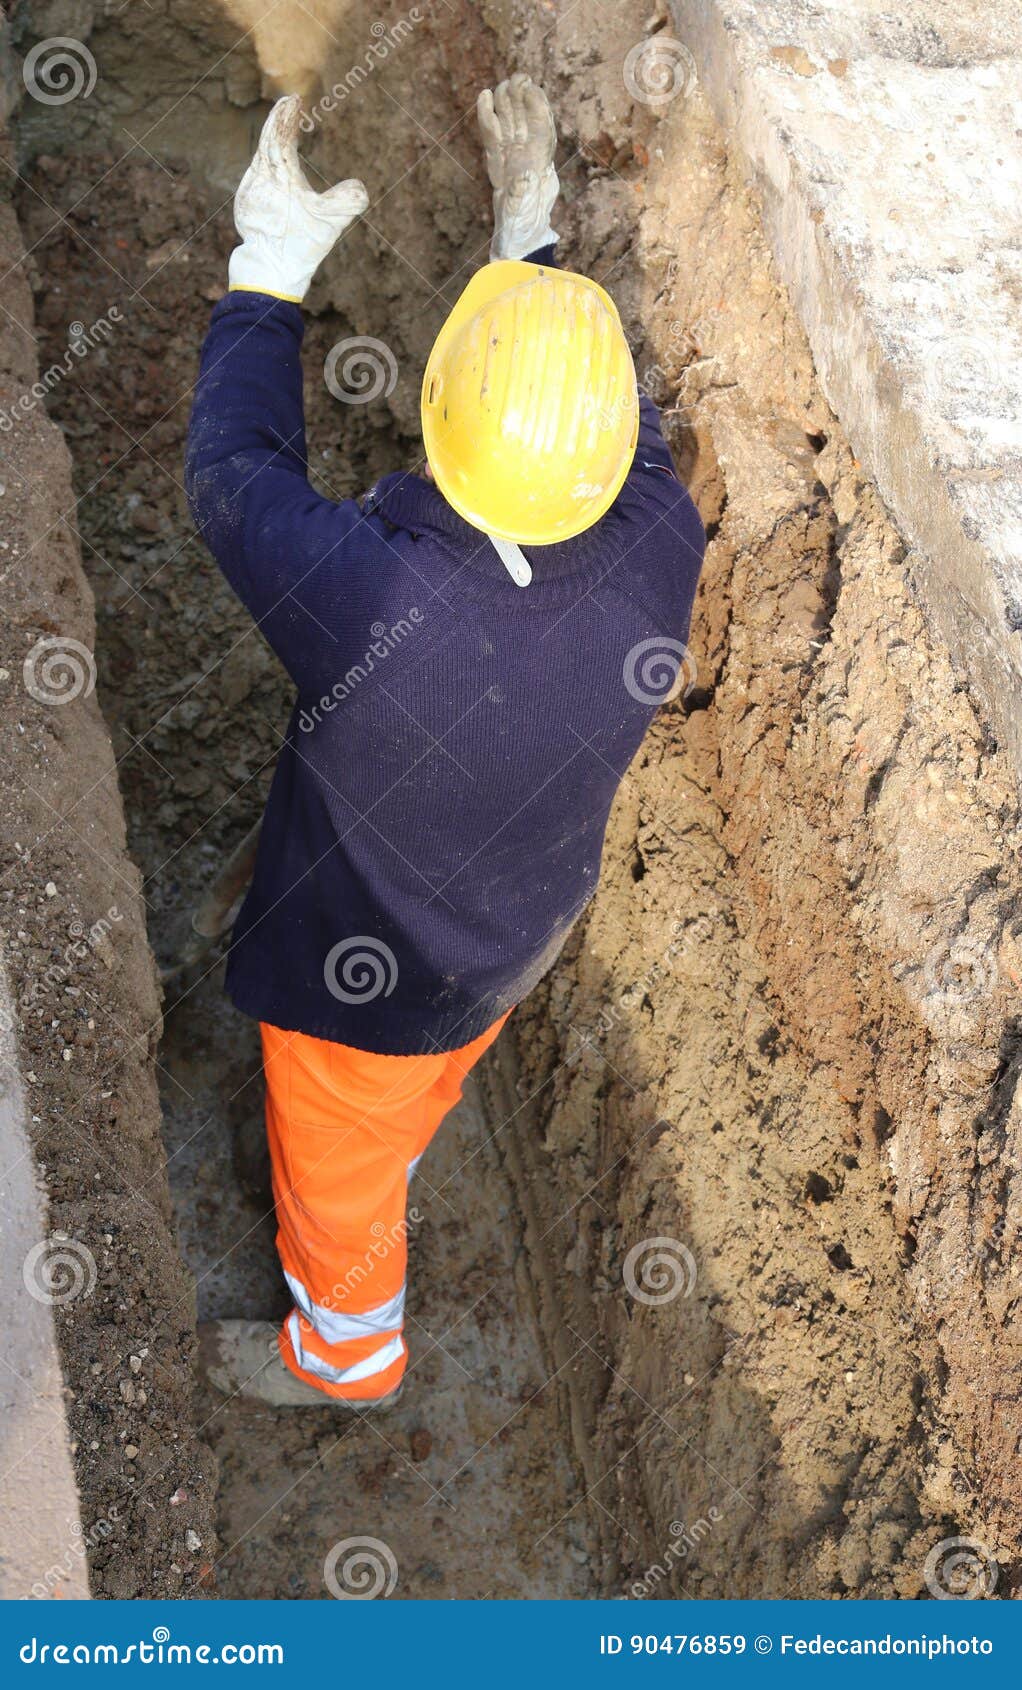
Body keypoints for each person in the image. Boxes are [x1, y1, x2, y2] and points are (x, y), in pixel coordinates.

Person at [185, 76, 705, 1408]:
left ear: (437, 417)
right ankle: (411, 1131)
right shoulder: (658, 536)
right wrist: (529, 236)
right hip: (515, 927)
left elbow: (232, 477)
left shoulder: (370, 593)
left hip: (360, 993)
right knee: (422, 1081)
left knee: (339, 1174)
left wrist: (265, 275)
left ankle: (343, 1350)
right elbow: (609, 430)